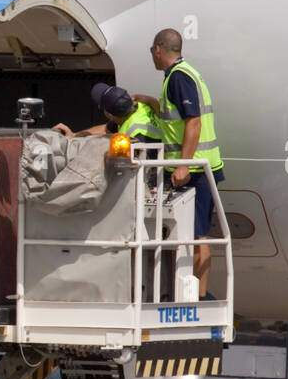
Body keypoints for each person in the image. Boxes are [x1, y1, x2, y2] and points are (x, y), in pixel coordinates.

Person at [136, 28, 225, 298]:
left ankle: (199, 297)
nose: (152, 55)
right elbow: (173, 115)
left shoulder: (178, 77)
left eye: (152, 50)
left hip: (196, 170)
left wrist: (183, 165)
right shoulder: (180, 75)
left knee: (198, 238)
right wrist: (149, 101)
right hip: (197, 166)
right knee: (193, 235)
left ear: (159, 49)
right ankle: (196, 293)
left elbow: (193, 122)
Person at [53, 84, 161, 143]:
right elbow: (105, 129)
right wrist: (74, 135)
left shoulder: (130, 136)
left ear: (109, 114)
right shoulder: (143, 106)